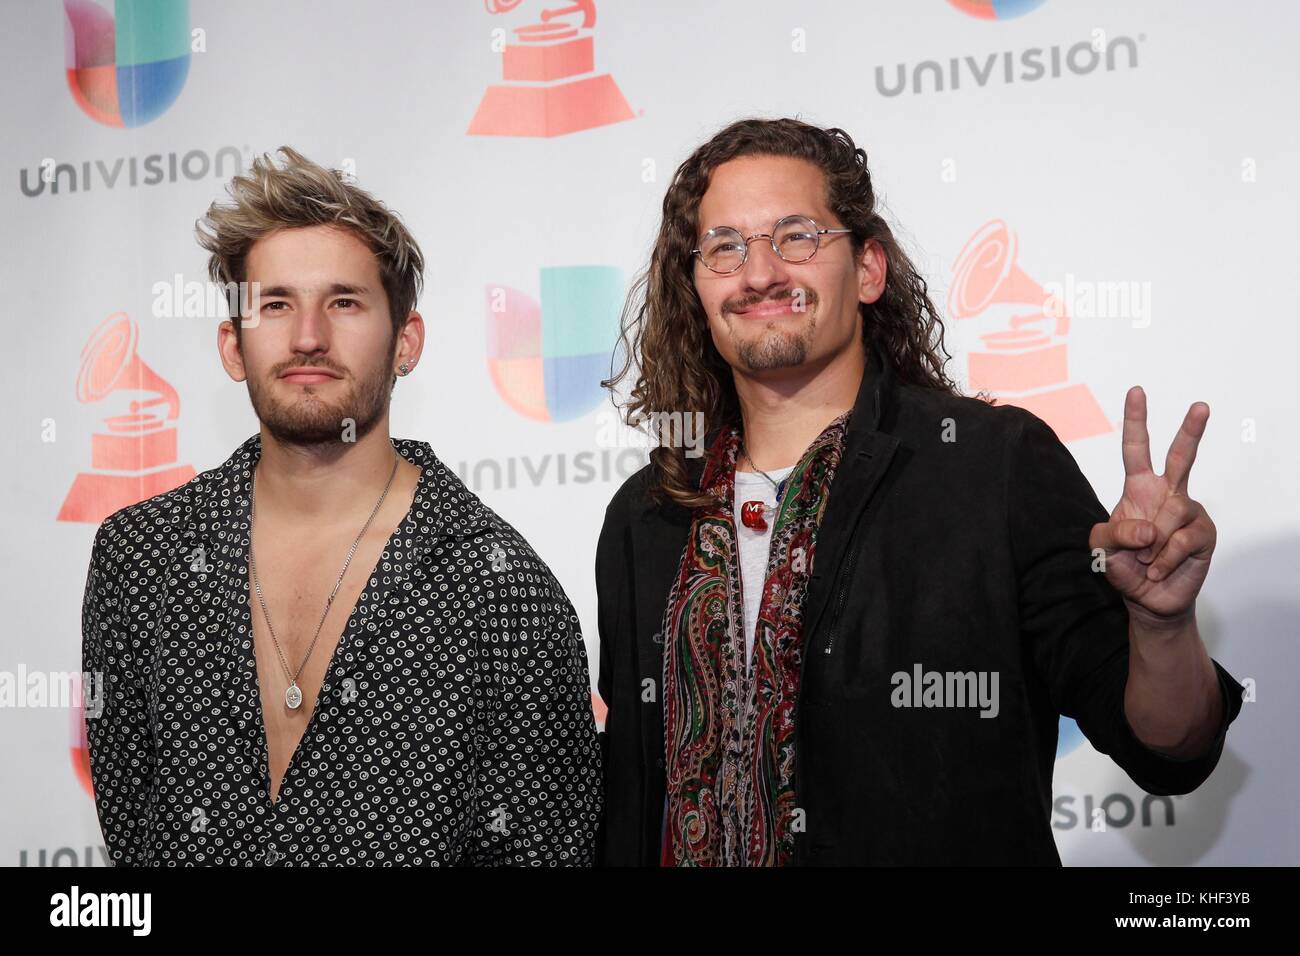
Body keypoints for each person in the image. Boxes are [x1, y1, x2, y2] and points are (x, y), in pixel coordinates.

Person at [594, 117, 1243, 866]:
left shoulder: (993, 468)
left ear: (869, 269)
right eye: (725, 247)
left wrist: (1162, 627)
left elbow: (1170, 752)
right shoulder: (650, 514)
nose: (761, 272)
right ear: (697, 285)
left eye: (797, 235)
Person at [81, 147, 600, 865]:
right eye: (276, 304)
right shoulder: (141, 558)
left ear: (405, 341)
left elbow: (540, 853)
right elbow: (133, 843)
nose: (308, 338)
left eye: (344, 302)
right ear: (233, 346)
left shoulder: (505, 592)